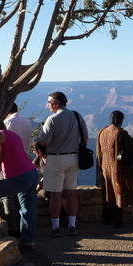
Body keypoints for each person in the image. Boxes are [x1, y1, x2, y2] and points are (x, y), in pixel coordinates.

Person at [39, 91, 88, 237]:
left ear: (56, 103)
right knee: (71, 193)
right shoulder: (77, 116)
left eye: (49, 103)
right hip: (74, 157)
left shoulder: (52, 120)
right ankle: (72, 225)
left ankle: (55, 227)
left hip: (56, 158)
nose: (48, 105)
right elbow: (85, 136)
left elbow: (45, 142)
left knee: (55, 194)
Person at [96, 111, 133, 228]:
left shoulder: (102, 132)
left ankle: (106, 218)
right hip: (117, 167)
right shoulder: (121, 133)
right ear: (121, 120)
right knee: (119, 192)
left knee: (107, 191)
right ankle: (118, 221)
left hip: (104, 167)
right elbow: (130, 149)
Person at [2, 102, 33, 238]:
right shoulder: (26, 122)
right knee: (24, 200)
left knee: (8, 196)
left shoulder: (8, 123)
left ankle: (12, 229)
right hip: (25, 163)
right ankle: (24, 229)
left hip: (10, 164)